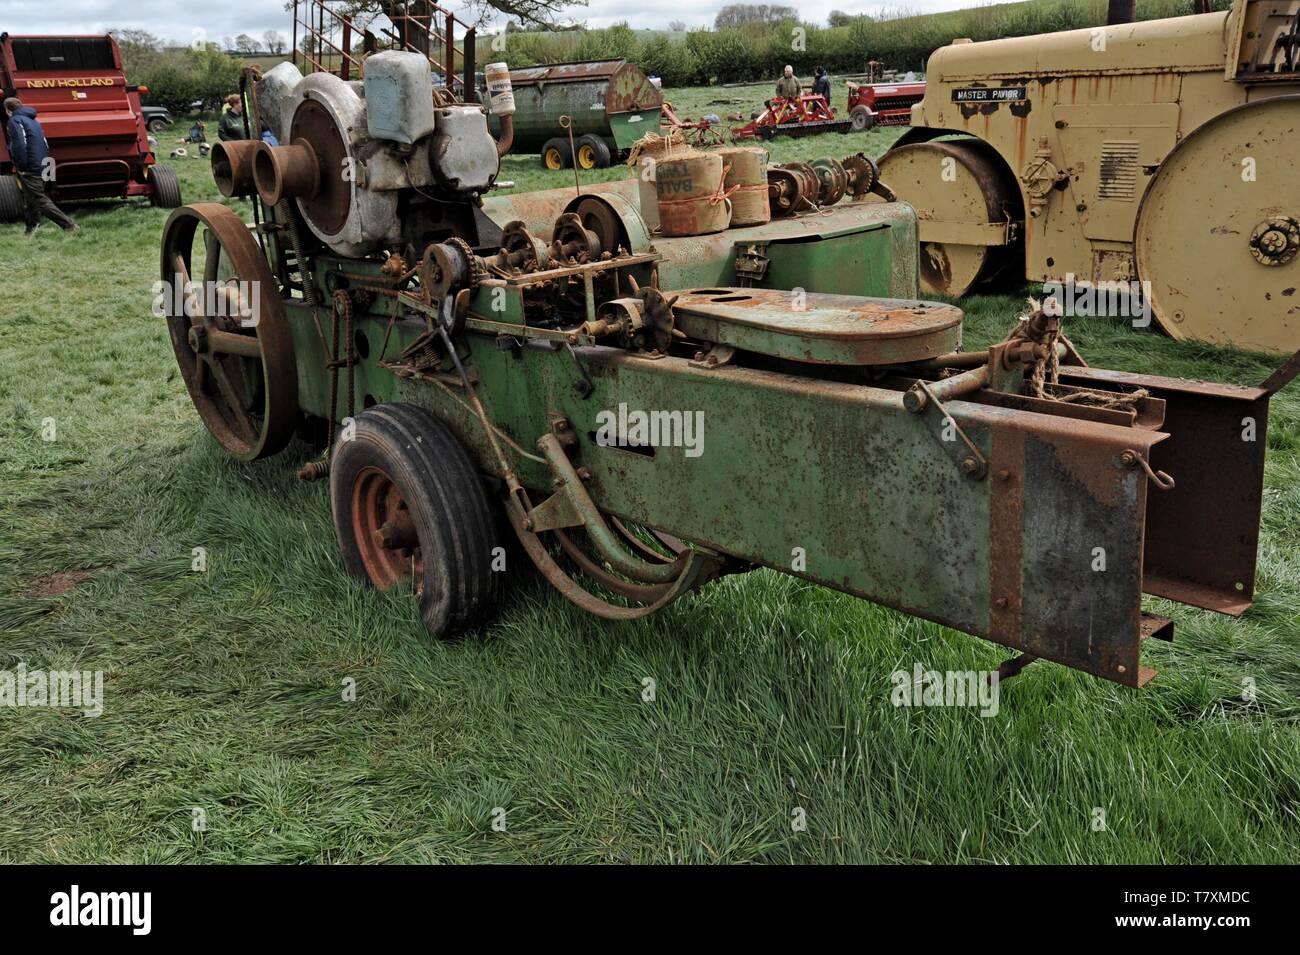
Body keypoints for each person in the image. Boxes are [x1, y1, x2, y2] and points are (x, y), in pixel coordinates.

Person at [3, 97, 77, 236]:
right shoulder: (33, 121)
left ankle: (69, 226)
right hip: (44, 163)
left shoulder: (14, 121)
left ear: (8, 110)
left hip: (30, 167)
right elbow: (44, 143)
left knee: (39, 199)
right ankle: (30, 231)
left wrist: (22, 165)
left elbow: (19, 145)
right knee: (31, 199)